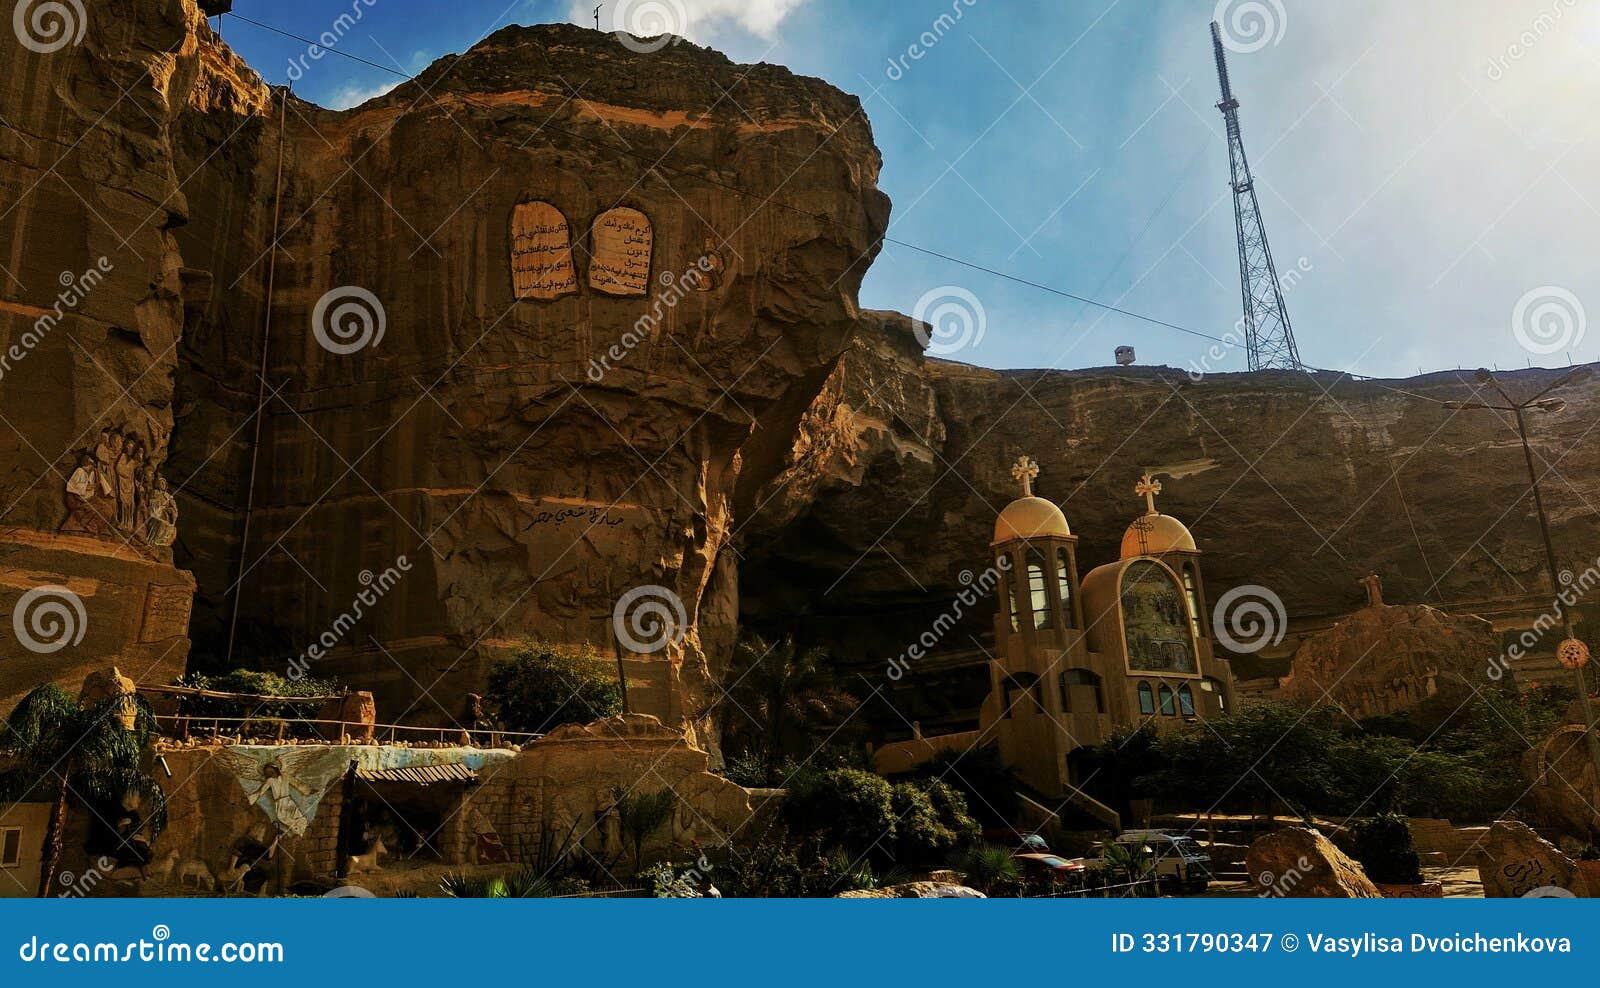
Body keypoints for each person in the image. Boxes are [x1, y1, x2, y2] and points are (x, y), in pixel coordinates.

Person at [63, 453, 113, 537]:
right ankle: (84, 528)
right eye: (89, 463)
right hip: (78, 499)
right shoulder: (79, 471)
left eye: (92, 464)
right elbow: (69, 486)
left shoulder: (96, 473)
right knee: (93, 509)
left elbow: (105, 486)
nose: (90, 466)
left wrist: (109, 492)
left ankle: (92, 526)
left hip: (92, 498)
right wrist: (85, 487)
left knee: (108, 510)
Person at [145, 476, 178, 547]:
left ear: (166, 485)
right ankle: (151, 540)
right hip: (154, 513)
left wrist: (170, 510)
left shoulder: (168, 496)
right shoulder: (154, 492)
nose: (162, 485)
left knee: (168, 526)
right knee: (160, 523)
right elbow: (151, 504)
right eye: (160, 483)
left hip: (164, 515)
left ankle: (159, 542)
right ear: (157, 484)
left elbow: (174, 508)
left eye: (163, 483)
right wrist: (158, 508)